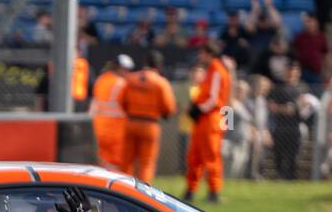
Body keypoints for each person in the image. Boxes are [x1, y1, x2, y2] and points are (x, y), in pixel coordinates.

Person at [184, 42, 232, 203]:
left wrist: (198, 109)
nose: (200, 57)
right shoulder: (211, 71)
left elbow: (214, 99)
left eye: (202, 53)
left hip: (210, 119)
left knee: (210, 156)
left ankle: (214, 191)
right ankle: (190, 189)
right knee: (194, 156)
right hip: (204, 119)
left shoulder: (217, 70)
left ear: (209, 54)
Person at [118, 51, 176, 183]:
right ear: (159, 66)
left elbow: (121, 100)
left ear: (145, 63)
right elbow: (169, 107)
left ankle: (121, 189)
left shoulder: (130, 79)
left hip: (131, 122)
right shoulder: (161, 83)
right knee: (146, 163)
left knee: (126, 161)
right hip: (150, 125)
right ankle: (143, 193)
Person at [90, 55, 132, 171]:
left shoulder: (101, 80)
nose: (128, 72)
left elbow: (95, 103)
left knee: (102, 161)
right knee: (117, 163)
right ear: (119, 68)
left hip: (98, 127)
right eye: (126, 69)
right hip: (116, 130)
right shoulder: (121, 84)